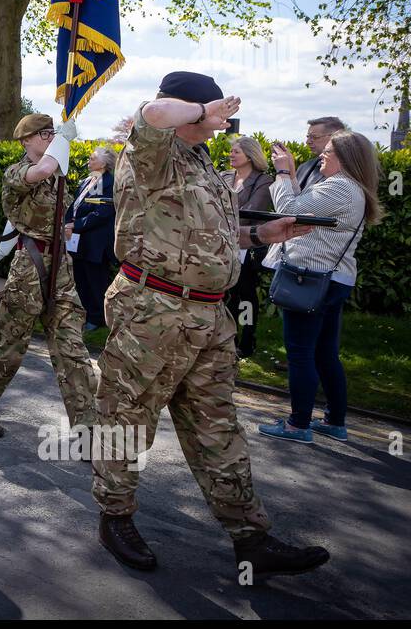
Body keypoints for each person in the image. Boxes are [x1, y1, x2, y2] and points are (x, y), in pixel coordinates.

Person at [92, 70, 329, 579]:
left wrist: (267, 232)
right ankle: (115, 518)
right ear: (189, 108)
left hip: (208, 315)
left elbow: (215, 241)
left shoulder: (201, 162)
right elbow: (153, 114)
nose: (221, 124)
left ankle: (251, 538)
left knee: (218, 429)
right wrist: (201, 109)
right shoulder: (150, 151)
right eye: (209, 111)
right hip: (152, 312)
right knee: (127, 420)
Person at [0, 113, 97, 440]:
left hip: (61, 263)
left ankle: (88, 429)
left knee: (72, 346)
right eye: (43, 135)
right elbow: (42, 170)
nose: (50, 138)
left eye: (52, 133)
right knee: (13, 341)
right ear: (26, 141)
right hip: (29, 262)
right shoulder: (18, 171)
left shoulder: (60, 173)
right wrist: (64, 141)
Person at [258, 130, 382, 444]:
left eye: (328, 151)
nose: (321, 155)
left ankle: (298, 425)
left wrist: (284, 171)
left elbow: (290, 211)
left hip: (310, 279)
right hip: (334, 279)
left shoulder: (340, 187)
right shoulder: (350, 188)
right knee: (326, 354)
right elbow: (301, 204)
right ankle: (334, 422)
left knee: (300, 354)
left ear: (347, 158)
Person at [223, 137, 273, 356]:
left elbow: (252, 211)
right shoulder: (223, 176)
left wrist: (218, 224)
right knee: (228, 294)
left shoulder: (263, 180)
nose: (231, 155)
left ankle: (247, 338)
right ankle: (228, 338)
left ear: (251, 155)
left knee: (246, 294)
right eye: (231, 151)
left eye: (237, 152)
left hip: (247, 249)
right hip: (222, 246)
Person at [64, 146, 116, 332]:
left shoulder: (109, 182)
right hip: (80, 241)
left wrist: (75, 225)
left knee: (96, 281)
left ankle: (97, 318)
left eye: (93, 158)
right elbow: (75, 207)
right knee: (80, 279)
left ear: (103, 163)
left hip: (97, 243)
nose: (89, 160)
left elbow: (102, 212)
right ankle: (84, 315)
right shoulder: (87, 180)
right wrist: (67, 222)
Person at [296, 116, 346, 190]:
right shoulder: (304, 167)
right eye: (308, 136)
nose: (308, 142)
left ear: (336, 136)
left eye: (314, 137)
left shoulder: (348, 171)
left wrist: (282, 173)